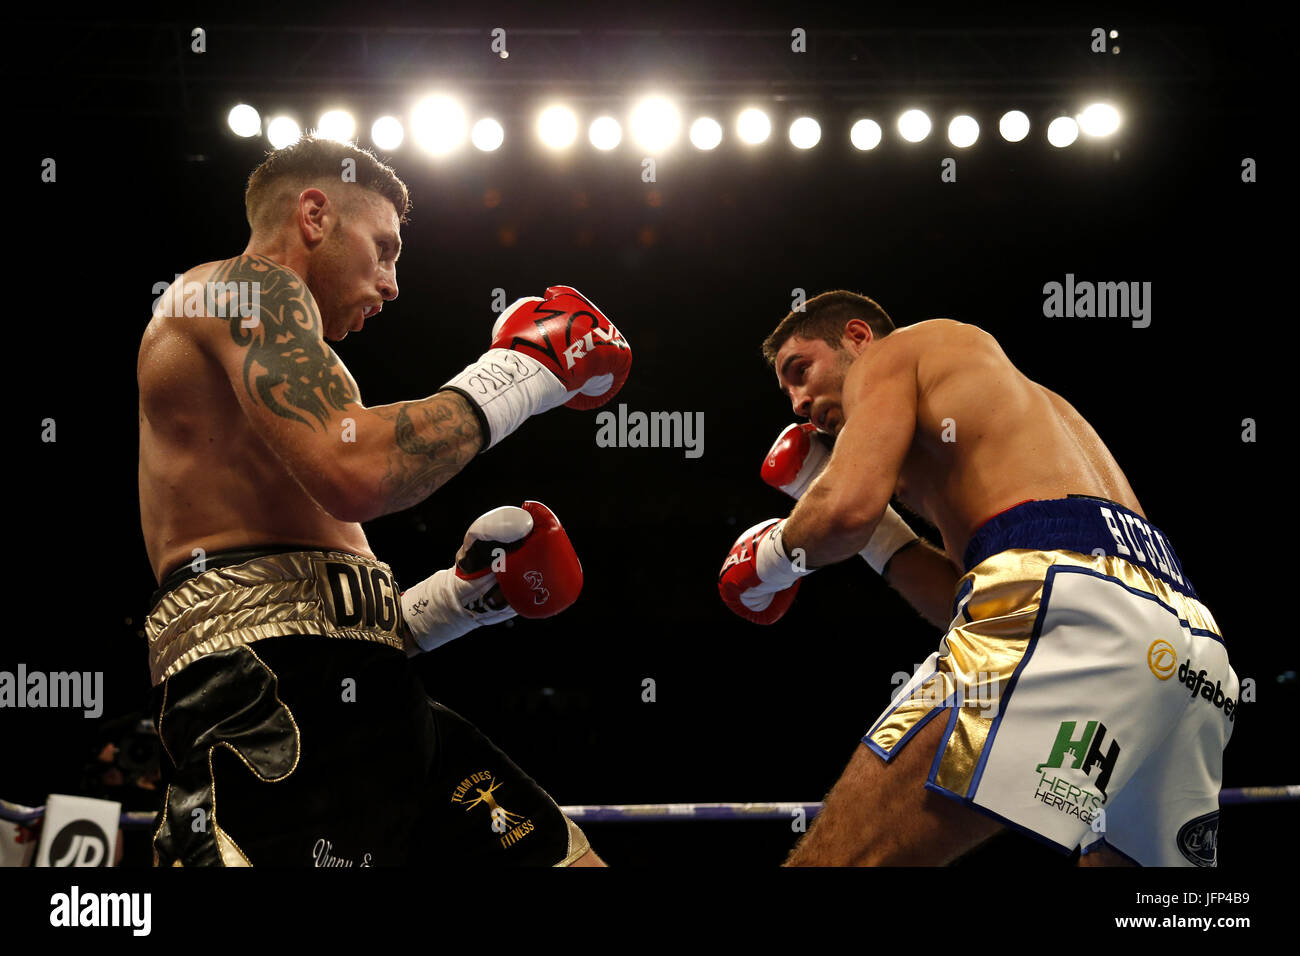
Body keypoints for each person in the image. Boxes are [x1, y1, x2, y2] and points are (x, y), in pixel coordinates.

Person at [138, 136, 630, 866]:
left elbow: (308, 604)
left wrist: (456, 601)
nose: (392, 283)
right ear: (314, 214)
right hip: (267, 702)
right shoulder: (240, 289)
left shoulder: (297, 366)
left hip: (371, 693)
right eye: (384, 248)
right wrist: (524, 370)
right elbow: (358, 472)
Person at [718, 290, 1234, 867]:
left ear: (857, 338)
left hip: (1063, 606)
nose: (798, 402)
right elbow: (963, 600)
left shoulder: (893, 354)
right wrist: (876, 530)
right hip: (1190, 649)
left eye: (801, 370)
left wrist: (770, 558)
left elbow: (845, 511)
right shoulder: (1005, 423)